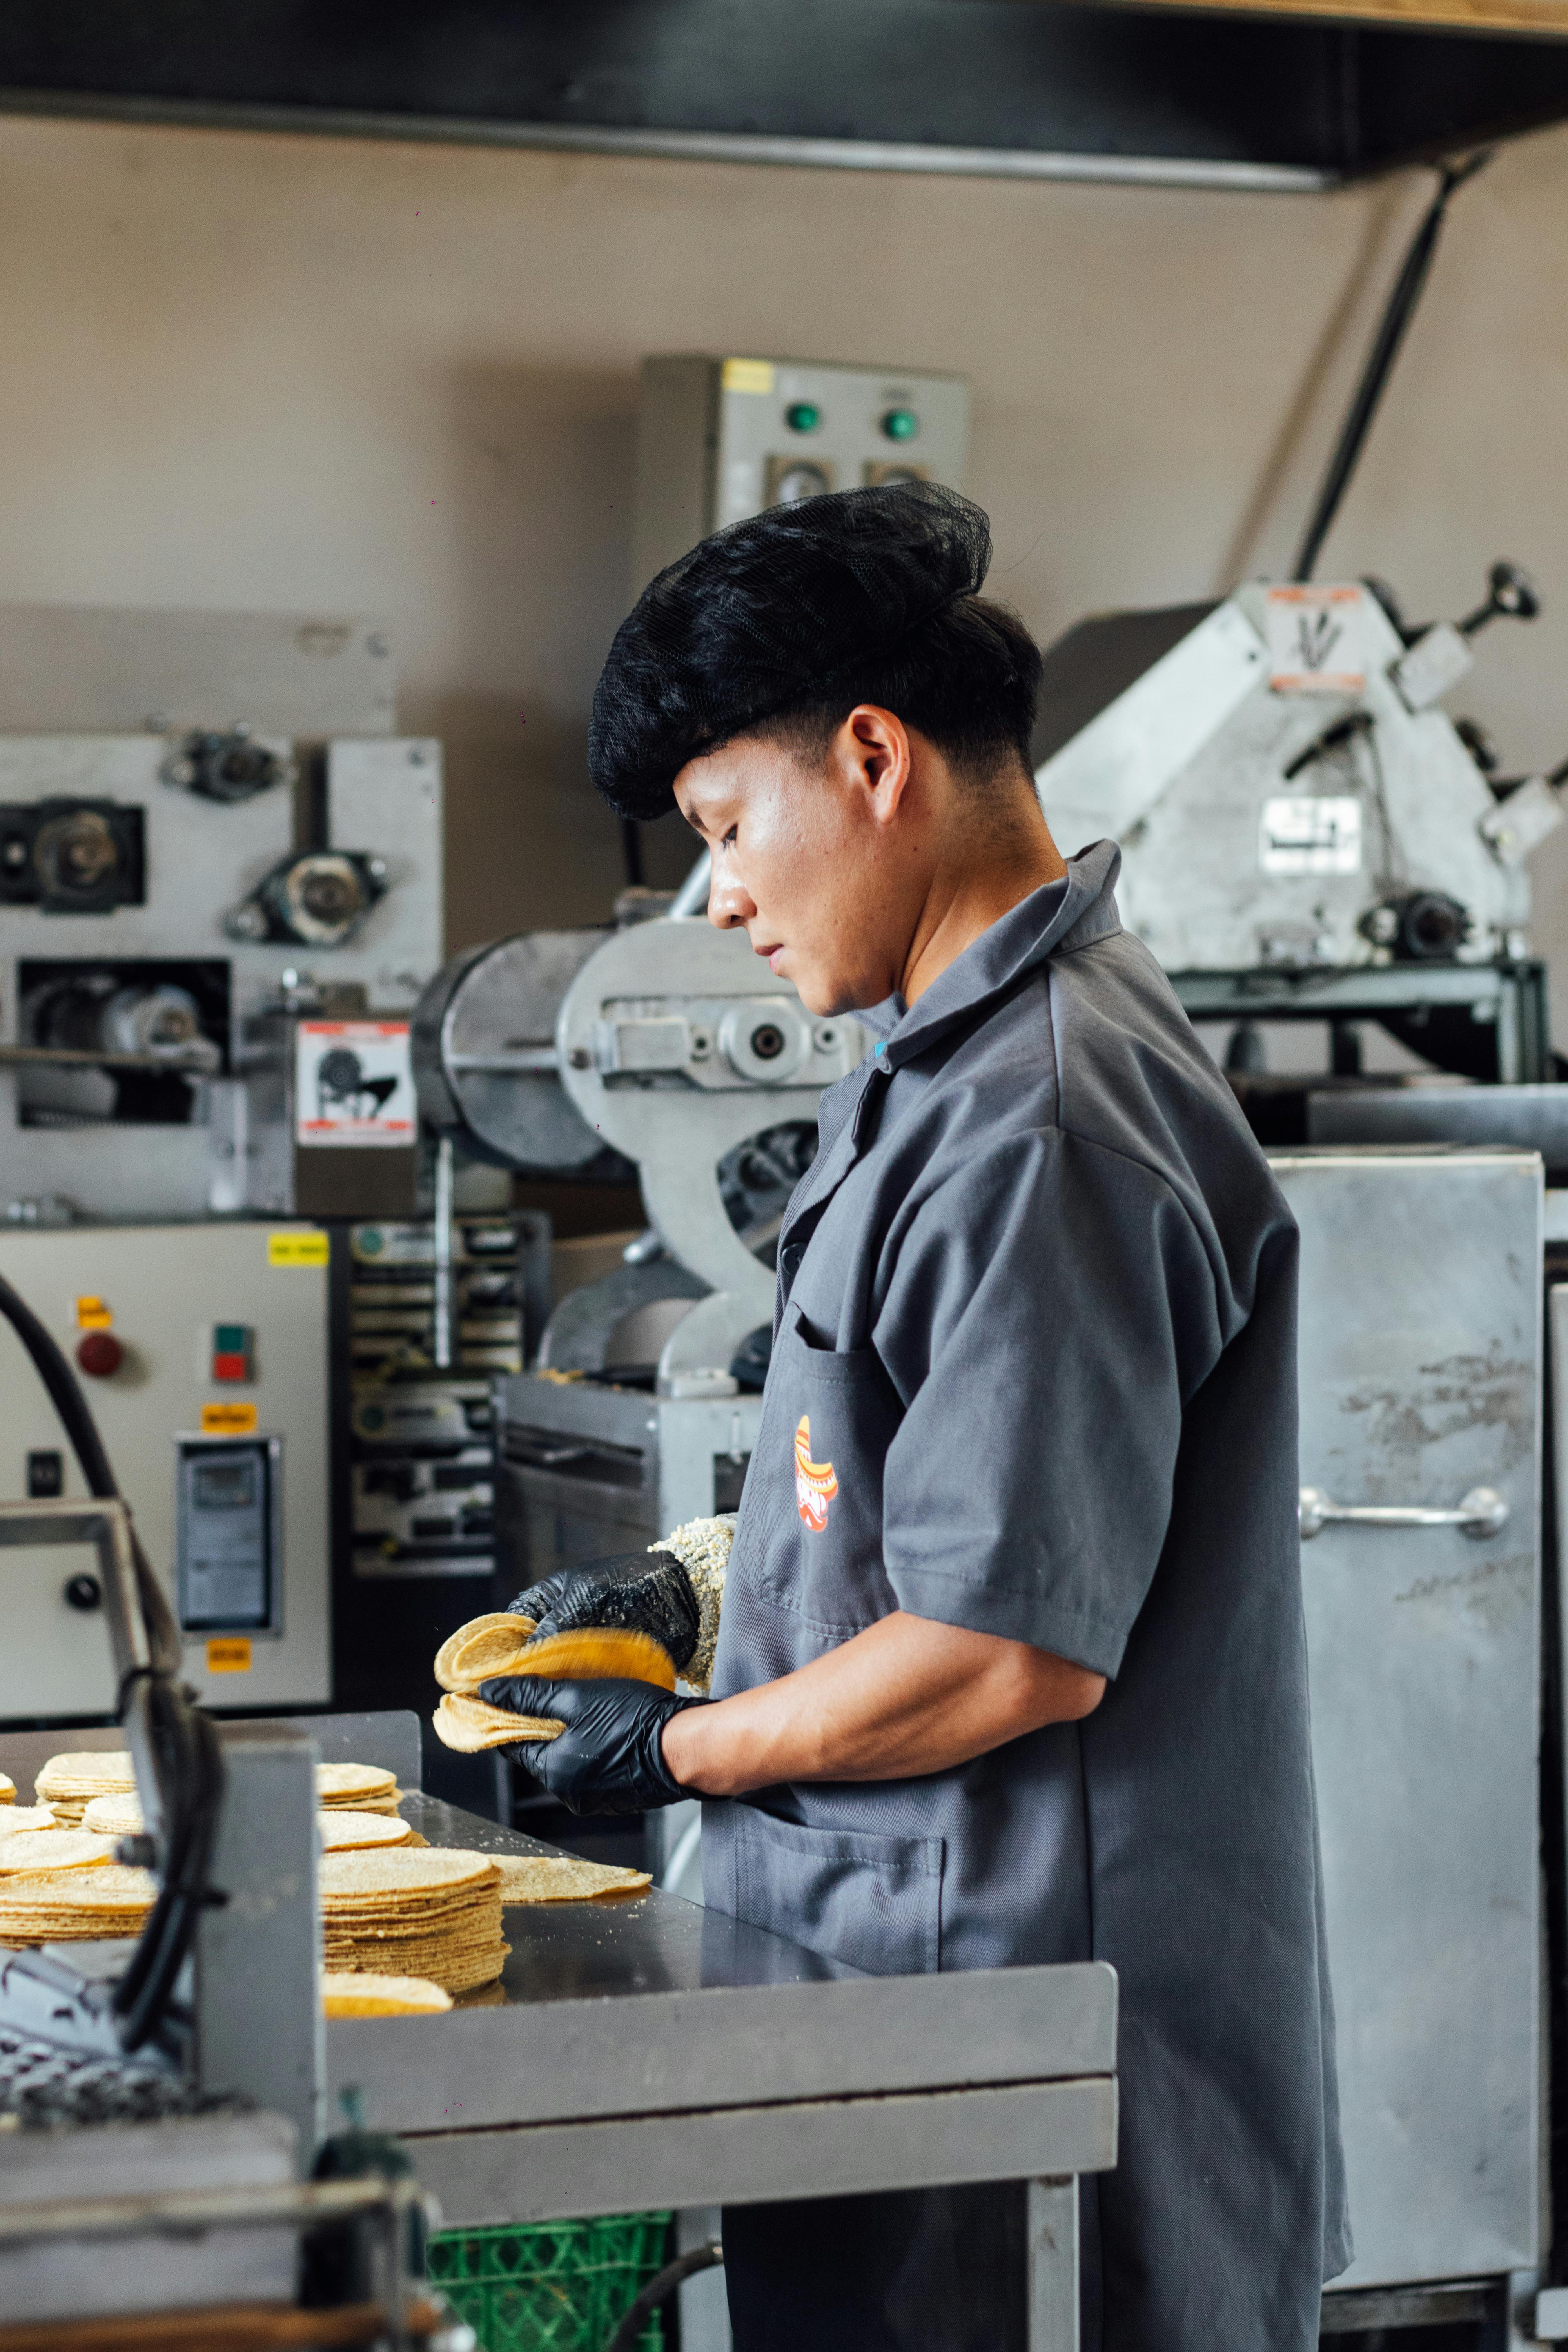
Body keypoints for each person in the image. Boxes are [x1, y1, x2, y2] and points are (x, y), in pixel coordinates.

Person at [482, 481, 1349, 2350]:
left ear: (869, 758)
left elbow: (999, 1655)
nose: (718, 897)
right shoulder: (932, 1073)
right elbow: (912, 1487)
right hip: (906, 2011)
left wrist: (679, 1752)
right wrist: (703, 1581)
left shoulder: (1044, 1115)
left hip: (1026, 2041)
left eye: (725, 827)